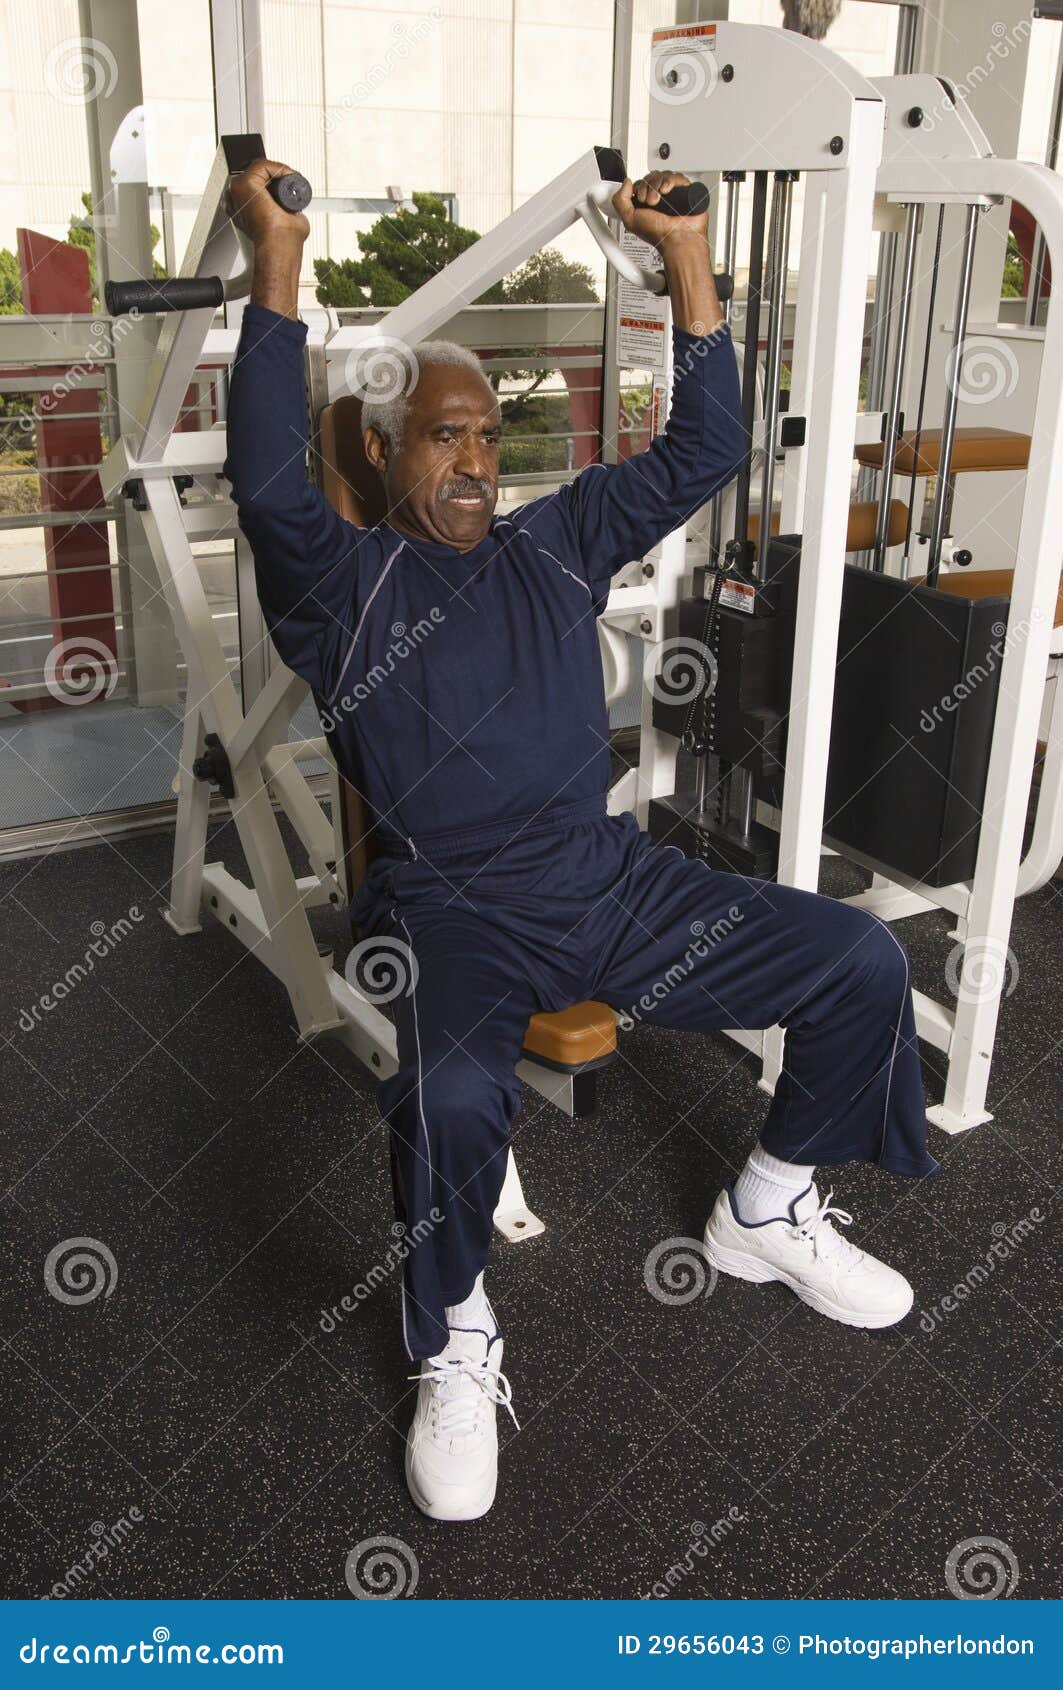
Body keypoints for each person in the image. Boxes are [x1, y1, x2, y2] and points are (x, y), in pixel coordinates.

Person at [225, 158, 940, 1525]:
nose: (475, 458)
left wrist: (684, 254)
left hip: (608, 882)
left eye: (489, 435)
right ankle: (453, 1336)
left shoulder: (556, 543)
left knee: (855, 962)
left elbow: (702, 452)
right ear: (384, 453)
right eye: (443, 436)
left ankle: (768, 1208)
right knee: (446, 1099)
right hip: (449, 912)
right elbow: (266, 474)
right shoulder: (341, 585)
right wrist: (281, 254)